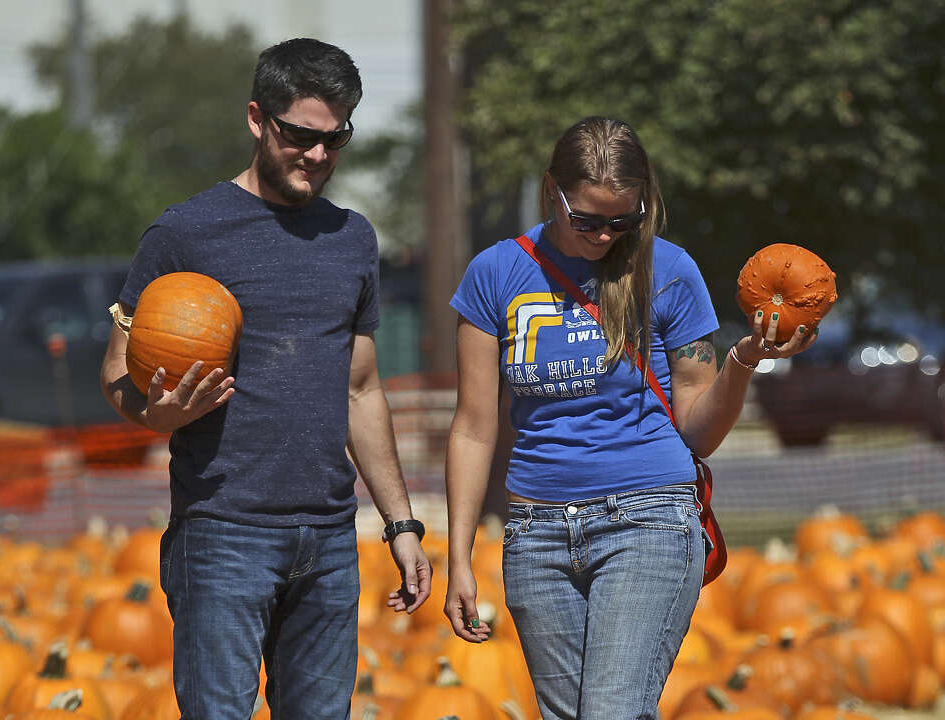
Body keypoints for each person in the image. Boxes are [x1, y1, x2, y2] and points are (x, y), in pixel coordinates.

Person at [100, 38, 431, 720]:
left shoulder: (353, 239)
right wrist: (159, 415)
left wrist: (400, 523)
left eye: (334, 139)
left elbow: (361, 390)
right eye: (299, 136)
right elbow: (114, 375)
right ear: (257, 119)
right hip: (223, 533)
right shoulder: (185, 234)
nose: (317, 154)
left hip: (330, 536)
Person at [443, 116, 816, 720]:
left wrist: (744, 360)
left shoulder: (670, 272)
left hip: (648, 522)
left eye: (623, 220)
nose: (604, 235)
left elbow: (699, 430)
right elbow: (473, 426)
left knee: (612, 711)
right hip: (536, 534)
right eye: (588, 219)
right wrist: (458, 557)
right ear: (552, 192)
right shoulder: (495, 273)